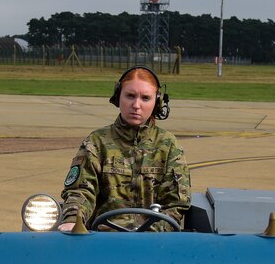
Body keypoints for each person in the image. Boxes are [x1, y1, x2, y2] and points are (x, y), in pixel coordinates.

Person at [57, 65, 190, 232]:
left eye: (145, 98)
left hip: (153, 240)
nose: (136, 105)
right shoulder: (96, 142)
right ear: (118, 96)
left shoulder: (169, 145)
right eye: (130, 96)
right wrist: (72, 220)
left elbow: (175, 205)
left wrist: (151, 233)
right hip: (104, 239)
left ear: (157, 102)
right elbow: (81, 191)